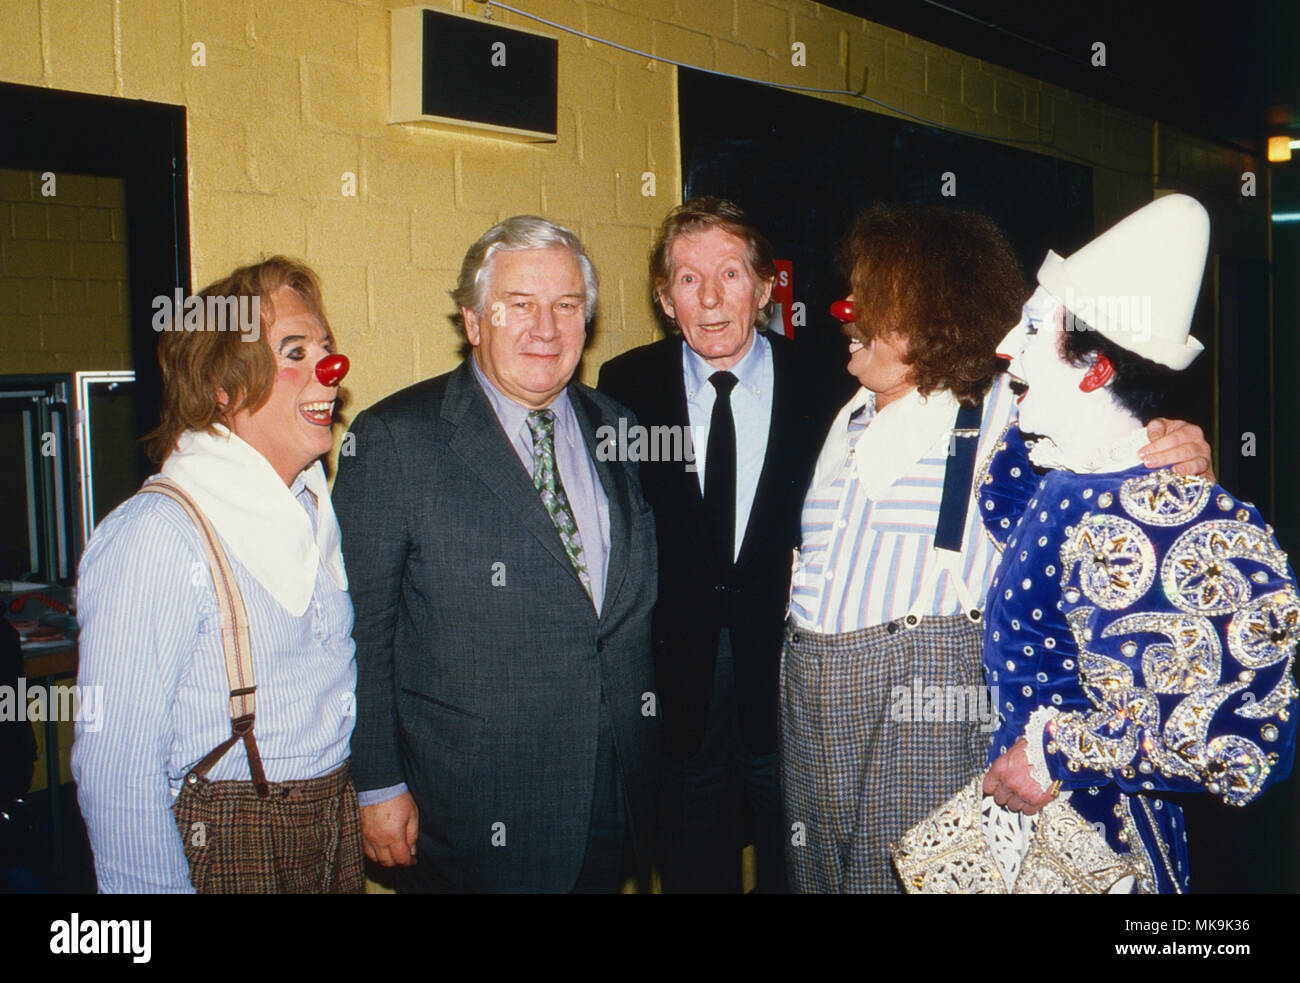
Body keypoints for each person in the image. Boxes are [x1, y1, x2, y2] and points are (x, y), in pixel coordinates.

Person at [781, 203, 1213, 893]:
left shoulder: (1010, 414)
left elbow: (1109, 432)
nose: (846, 310)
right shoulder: (843, 417)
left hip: (916, 720)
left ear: (930, 315)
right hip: (811, 718)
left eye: (872, 299)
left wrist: (1175, 447)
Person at [980, 193, 1296, 892]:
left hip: (1105, 849)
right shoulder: (1060, 481)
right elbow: (998, 499)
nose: (1006, 347)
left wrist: (1053, 755)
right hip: (1034, 836)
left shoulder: (1174, 513)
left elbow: (1246, 743)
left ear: (1096, 370)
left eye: (1031, 330)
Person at [333, 215, 659, 893]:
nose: (547, 328)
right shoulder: (396, 440)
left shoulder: (618, 428)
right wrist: (376, 783)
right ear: (475, 321)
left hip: (610, 794)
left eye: (567, 306)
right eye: (519, 305)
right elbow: (357, 630)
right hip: (472, 810)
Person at [73, 257, 363, 893]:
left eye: (327, 347)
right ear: (222, 389)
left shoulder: (310, 510)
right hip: (228, 845)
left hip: (327, 831)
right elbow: (117, 773)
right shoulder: (159, 537)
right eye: (294, 351)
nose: (331, 371)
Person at [598, 197, 842, 893]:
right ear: (664, 298)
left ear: (765, 288)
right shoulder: (626, 387)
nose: (709, 297)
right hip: (677, 688)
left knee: (798, 872)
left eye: (730, 274)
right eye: (686, 278)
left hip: (795, 685)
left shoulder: (829, 383)